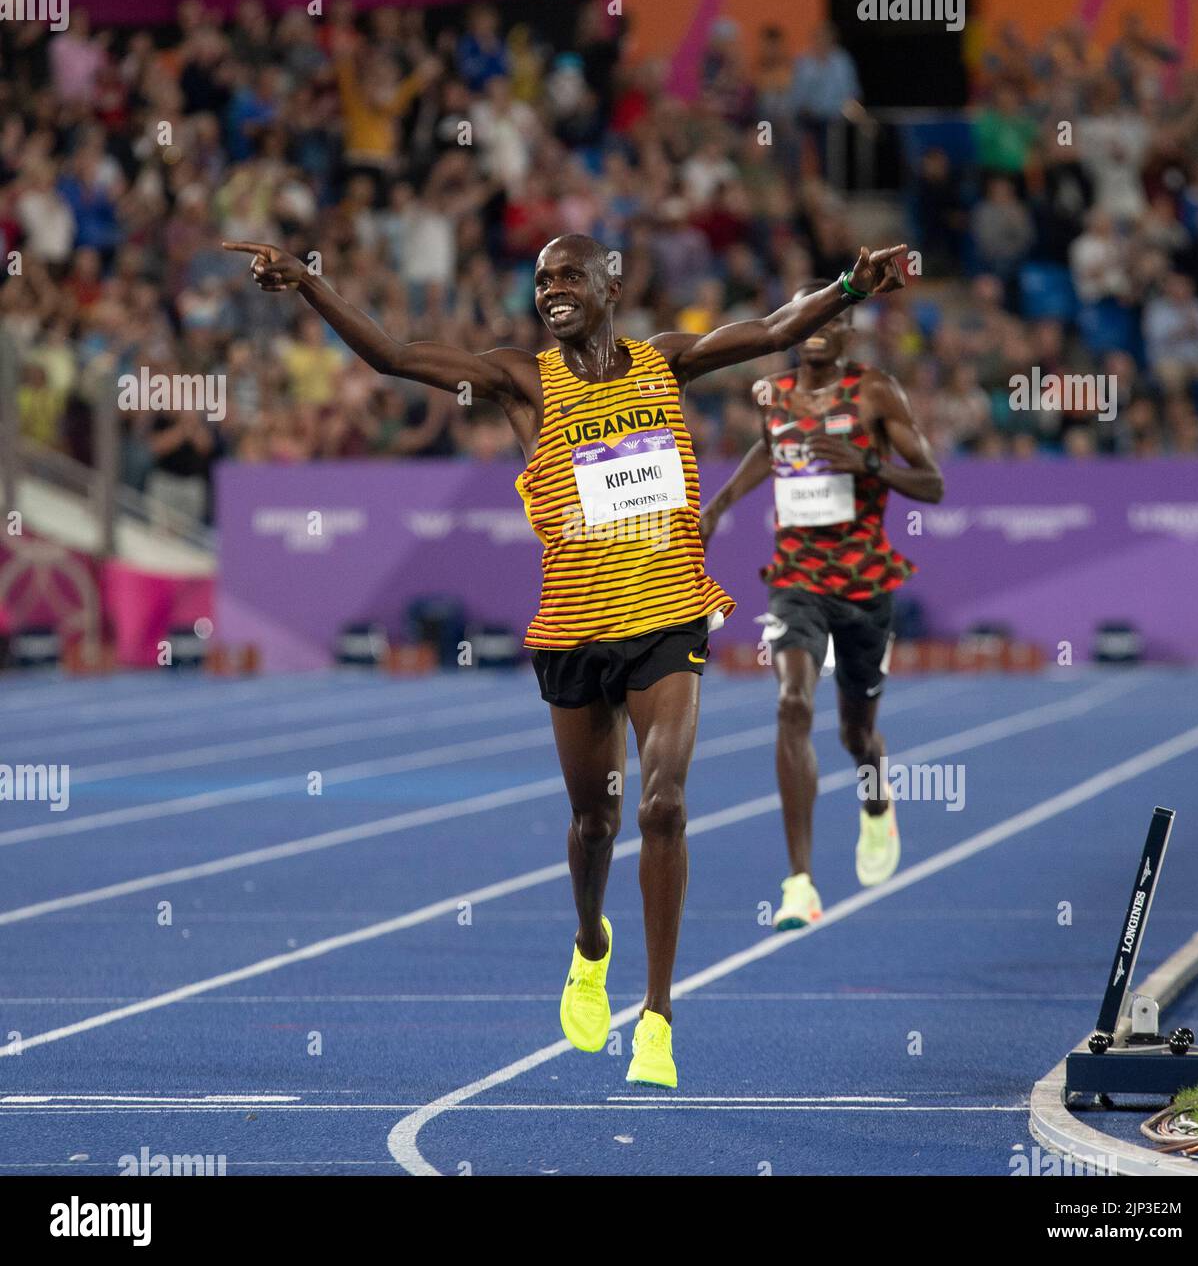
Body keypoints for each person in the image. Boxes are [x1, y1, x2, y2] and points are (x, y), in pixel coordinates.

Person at [223, 233, 907, 1087]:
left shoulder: (667, 362)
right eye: (541, 278)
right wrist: (308, 282)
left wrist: (849, 285)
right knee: (595, 824)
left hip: (666, 618)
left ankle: (657, 1019)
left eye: (569, 275)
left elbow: (772, 329)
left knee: (662, 806)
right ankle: (591, 942)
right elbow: (396, 355)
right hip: (575, 632)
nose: (552, 289)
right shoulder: (520, 379)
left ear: (611, 283)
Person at [699, 282, 942, 930]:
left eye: (832, 316)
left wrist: (867, 461)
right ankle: (799, 882)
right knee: (791, 702)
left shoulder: (876, 392)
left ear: (847, 334)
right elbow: (769, 447)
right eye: (810, 311)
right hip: (797, 577)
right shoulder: (773, 394)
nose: (817, 324)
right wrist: (721, 503)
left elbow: (933, 483)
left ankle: (875, 799)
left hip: (864, 584)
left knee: (856, 734)